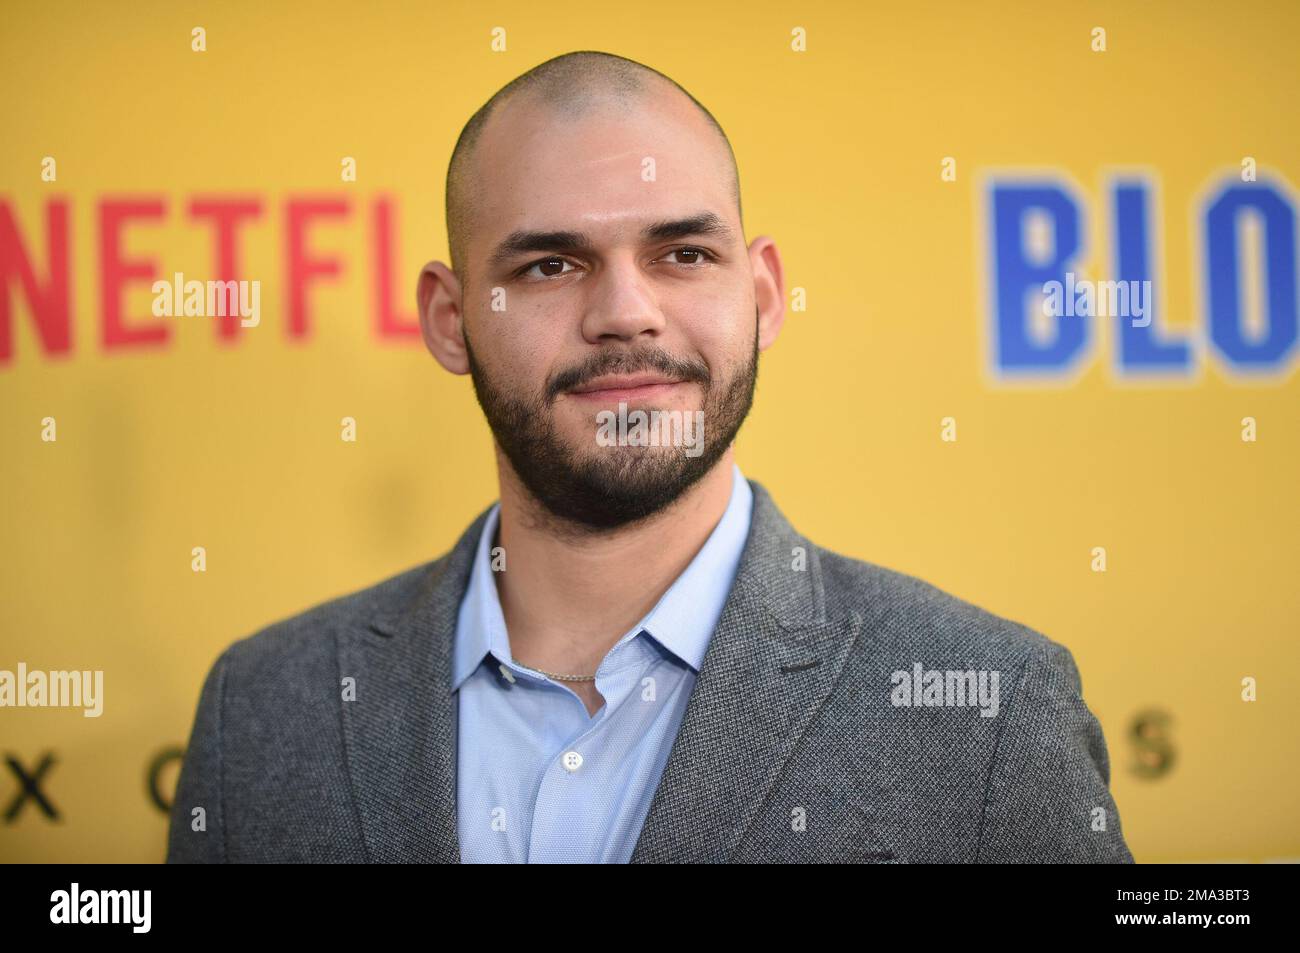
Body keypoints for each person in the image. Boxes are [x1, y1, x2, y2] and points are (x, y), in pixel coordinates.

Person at [167, 50, 1134, 863]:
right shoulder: (260, 711)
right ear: (452, 320)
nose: (626, 311)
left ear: (761, 294)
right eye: (549, 265)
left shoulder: (989, 713)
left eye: (683, 254)